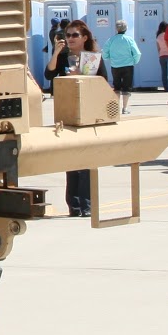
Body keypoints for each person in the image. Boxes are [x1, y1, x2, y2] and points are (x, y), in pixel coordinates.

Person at [44, 19, 109, 216]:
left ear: (84, 38)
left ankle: (87, 205)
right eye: (67, 35)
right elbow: (49, 75)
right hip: (67, 111)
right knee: (71, 160)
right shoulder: (63, 58)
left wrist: (82, 74)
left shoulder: (92, 58)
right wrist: (56, 52)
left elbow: (104, 82)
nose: (70, 38)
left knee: (87, 160)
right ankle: (74, 205)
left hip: (88, 113)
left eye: (74, 35)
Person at [105, 20, 142, 114]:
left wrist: (109, 58)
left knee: (116, 87)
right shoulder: (129, 39)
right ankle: (125, 108)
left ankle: (116, 108)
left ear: (116, 28)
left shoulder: (111, 40)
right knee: (127, 87)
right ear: (126, 28)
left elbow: (104, 52)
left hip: (115, 66)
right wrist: (135, 61)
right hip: (128, 65)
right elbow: (137, 53)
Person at [155, 19, 168, 94]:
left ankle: (166, 87)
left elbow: (158, 48)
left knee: (164, 73)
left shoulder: (158, 37)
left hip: (162, 56)